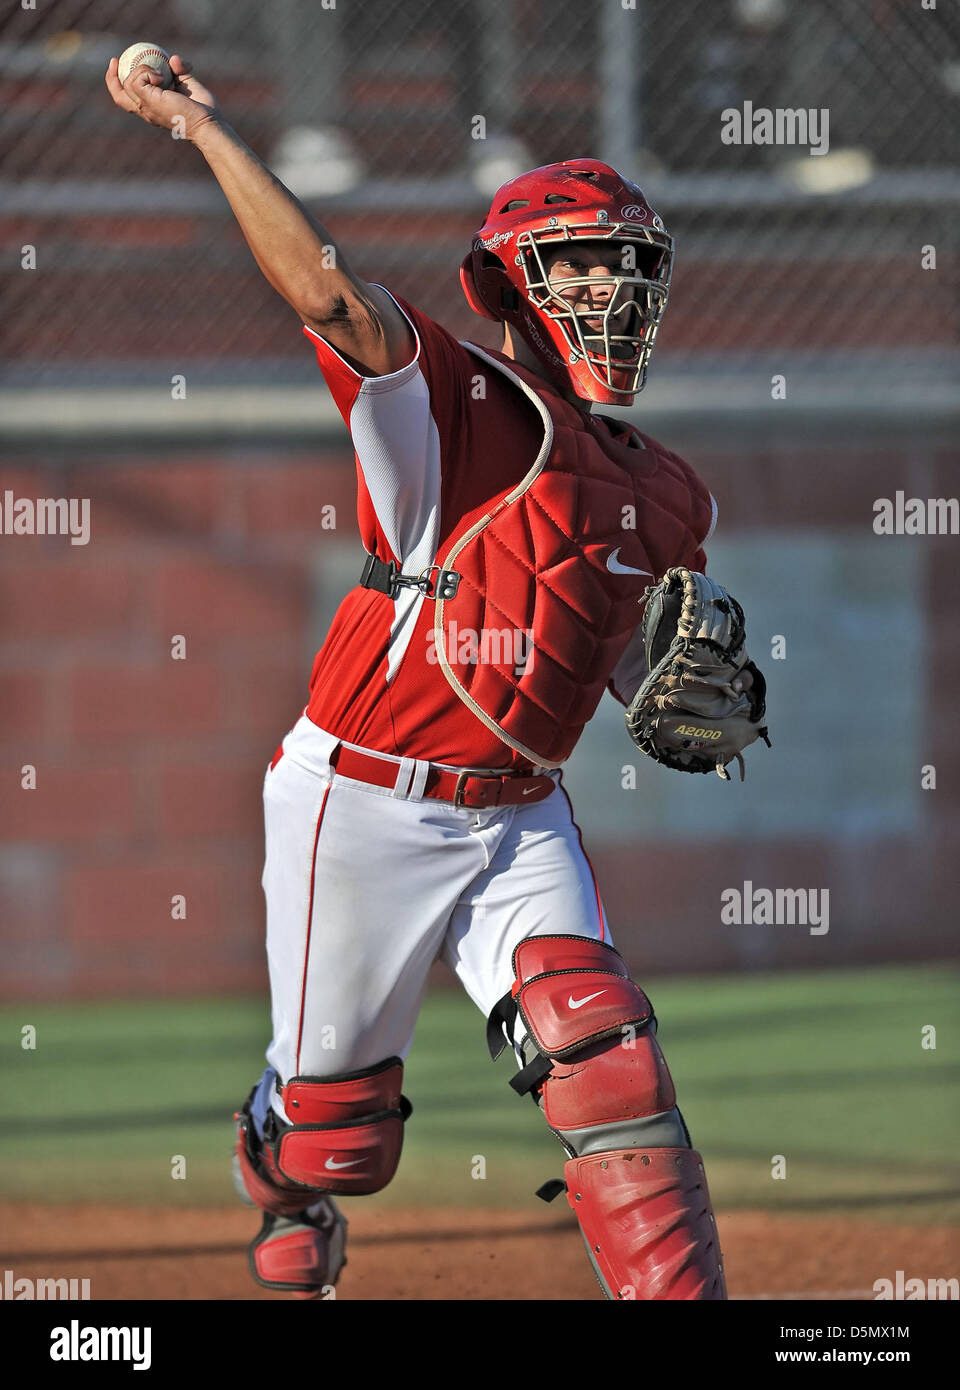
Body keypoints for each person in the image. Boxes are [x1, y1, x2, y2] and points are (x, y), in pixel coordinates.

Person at [107, 52, 727, 1301]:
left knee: (602, 1050)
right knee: (338, 1139)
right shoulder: (451, 403)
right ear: (509, 283)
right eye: (581, 264)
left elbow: (631, 672)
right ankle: (276, 1162)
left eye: (629, 267)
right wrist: (203, 127)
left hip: (521, 815)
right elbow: (328, 297)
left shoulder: (668, 491)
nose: (611, 290)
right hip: (366, 797)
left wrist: (693, 701)